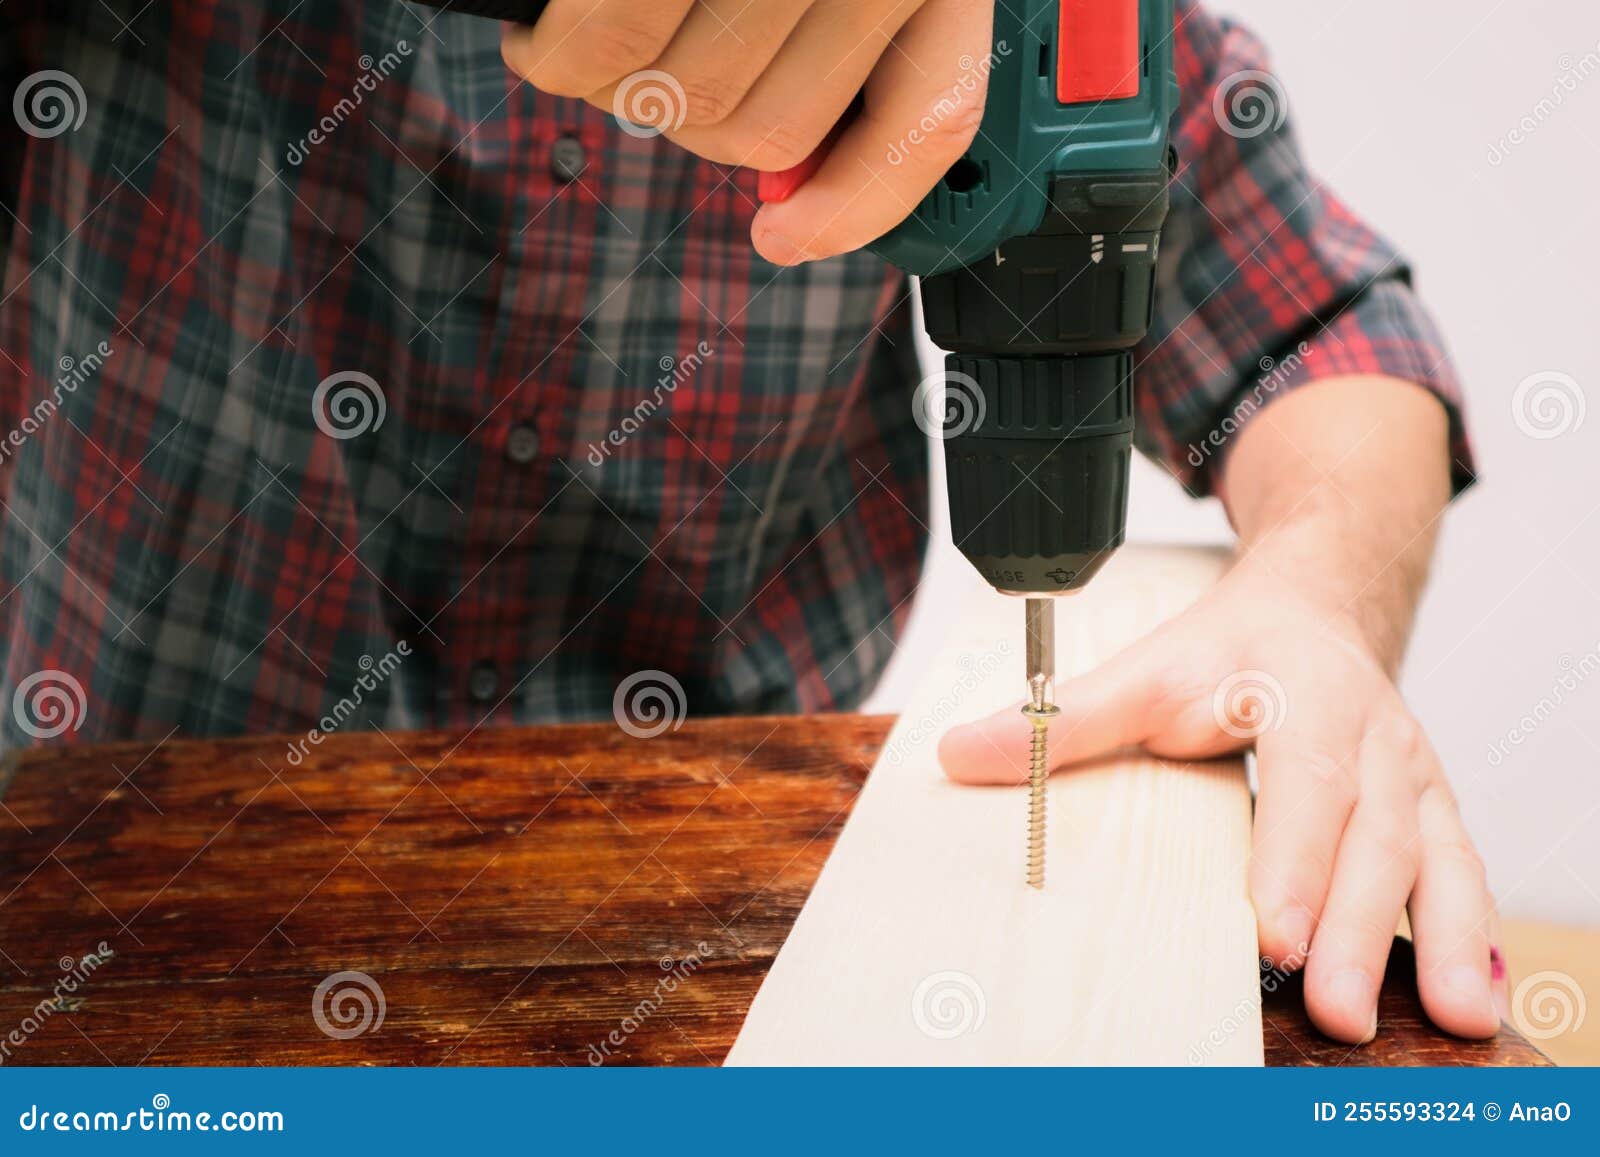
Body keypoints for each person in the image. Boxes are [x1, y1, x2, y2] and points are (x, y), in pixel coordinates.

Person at [0, 0, 1498, 1046]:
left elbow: (1329, 328)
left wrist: (1317, 598)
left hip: (725, 936)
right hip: (126, 903)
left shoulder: (1008, 25)